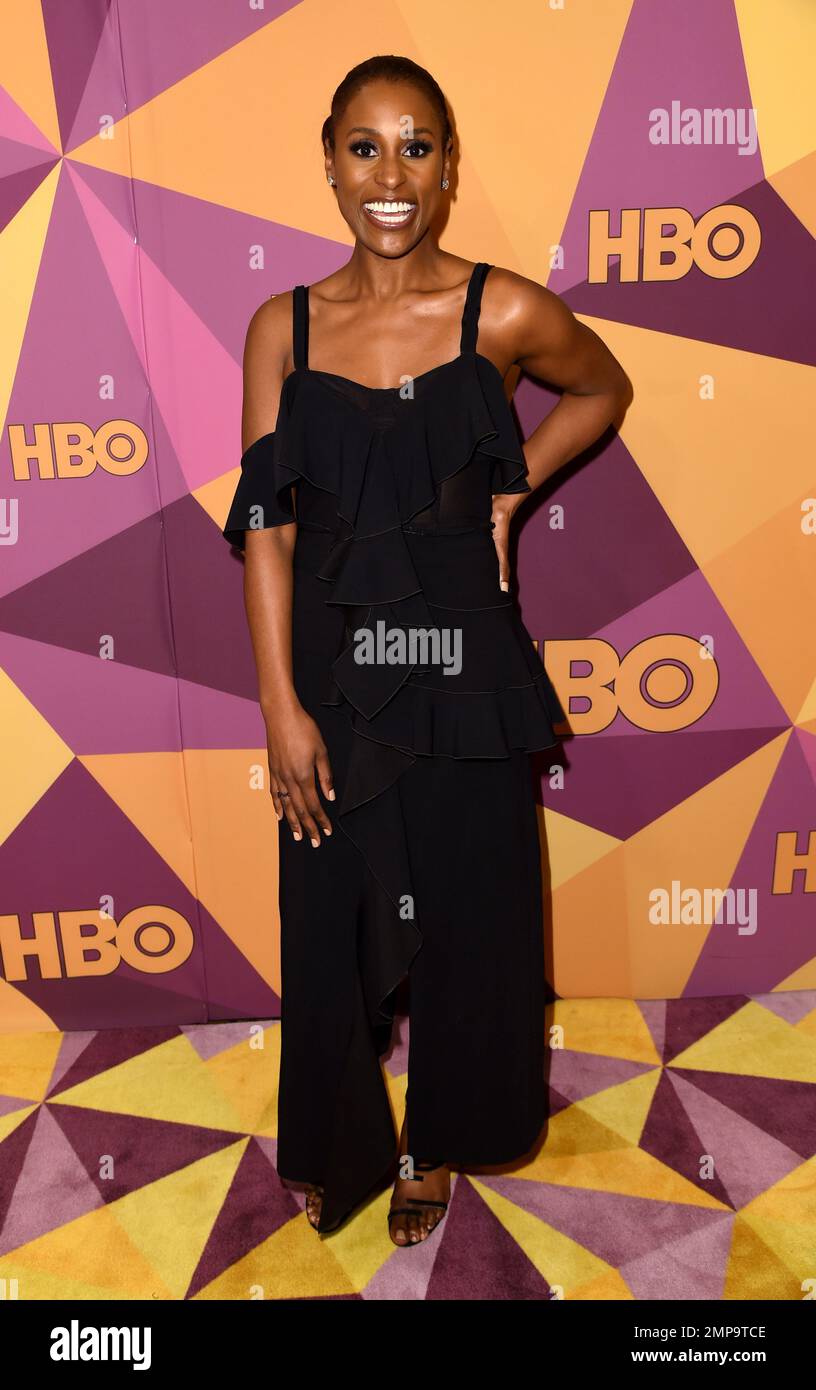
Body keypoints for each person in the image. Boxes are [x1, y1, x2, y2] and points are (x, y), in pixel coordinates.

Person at [222, 54, 632, 1248]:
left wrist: (514, 496)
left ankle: (431, 1143)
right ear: (331, 160)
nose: (391, 176)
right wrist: (279, 707)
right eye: (366, 146)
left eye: (417, 147)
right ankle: (343, 1137)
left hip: (465, 664)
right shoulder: (281, 327)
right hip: (332, 672)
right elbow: (266, 525)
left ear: (449, 167)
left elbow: (600, 387)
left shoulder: (499, 309)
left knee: (468, 913)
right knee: (331, 911)